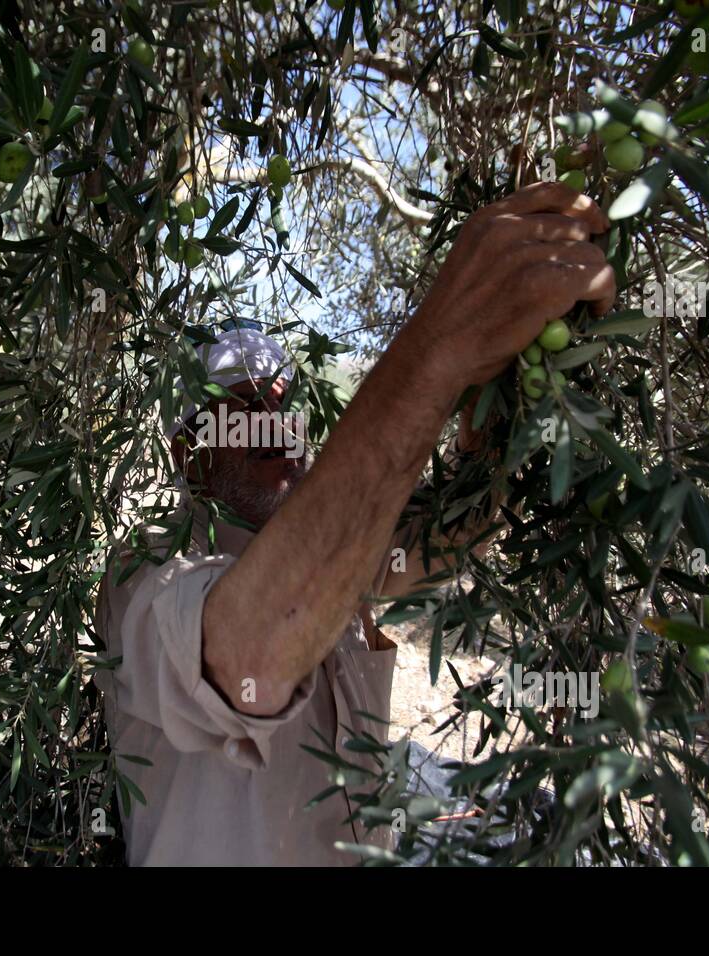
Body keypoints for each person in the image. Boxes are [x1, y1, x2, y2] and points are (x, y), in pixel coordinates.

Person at [93, 182, 616, 865]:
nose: (276, 424)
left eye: (285, 404)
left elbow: (458, 527)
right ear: (190, 452)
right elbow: (251, 648)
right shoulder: (145, 572)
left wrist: (502, 398)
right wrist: (438, 349)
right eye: (245, 407)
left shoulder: (348, 556)